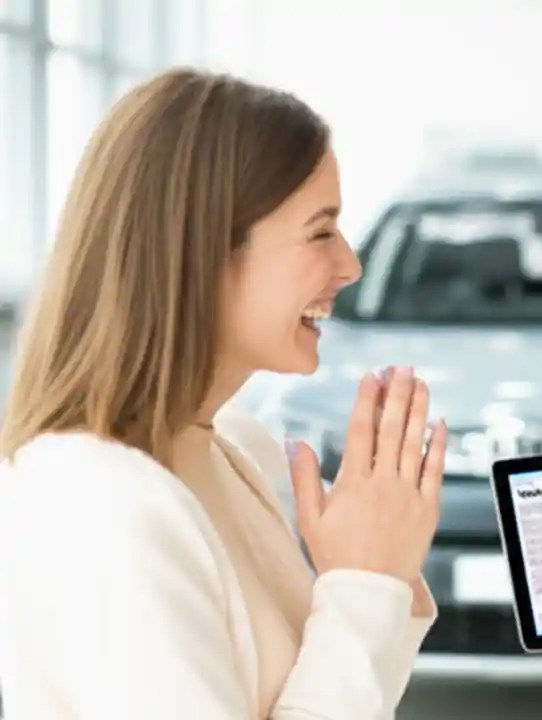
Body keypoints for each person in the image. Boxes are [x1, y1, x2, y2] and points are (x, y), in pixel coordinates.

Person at [0, 69, 448, 719]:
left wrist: (381, 565)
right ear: (204, 249)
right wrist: (363, 585)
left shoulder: (234, 442)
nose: (350, 264)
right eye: (320, 231)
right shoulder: (98, 498)